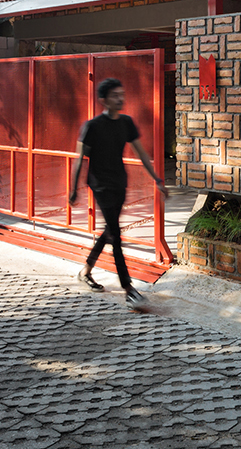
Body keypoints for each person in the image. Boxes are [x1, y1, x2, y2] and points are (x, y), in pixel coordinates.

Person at [69, 76, 168, 308]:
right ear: (104, 100)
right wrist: (73, 190)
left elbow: (142, 153)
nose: (120, 98)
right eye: (115, 95)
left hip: (119, 183)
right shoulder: (91, 126)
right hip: (100, 185)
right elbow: (78, 159)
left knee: (109, 232)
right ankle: (128, 289)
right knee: (116, 234)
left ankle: (85, 271)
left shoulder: (126, 122)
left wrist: (157, 179)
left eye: (122, 94)